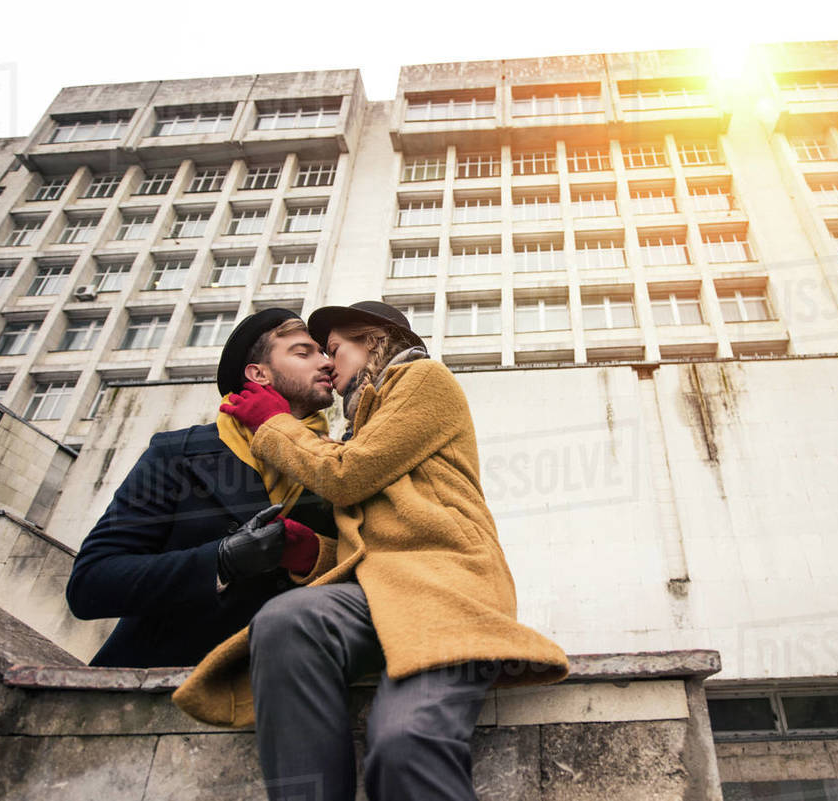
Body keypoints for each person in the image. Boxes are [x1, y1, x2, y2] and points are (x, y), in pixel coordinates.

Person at [171, 300, 570, 801]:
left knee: (405, 741)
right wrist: (308, 552)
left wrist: (273, 423)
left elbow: (346, 475)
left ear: (375, 340)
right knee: (287, 620)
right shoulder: (360, 425)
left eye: (335, 349)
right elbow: (374, 540)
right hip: (383, 596)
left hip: (448, 593)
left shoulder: (423, 380)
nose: (328, 363)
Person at [65, 308, 341, 668]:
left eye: (324, 353)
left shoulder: (337, 467)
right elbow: (91, 585)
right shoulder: (178, 451)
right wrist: (222, 559)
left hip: (283, 686)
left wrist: (315, 555)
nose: (326, 363)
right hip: (156, 685)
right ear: (258, 374)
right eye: (304, 353)